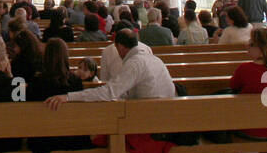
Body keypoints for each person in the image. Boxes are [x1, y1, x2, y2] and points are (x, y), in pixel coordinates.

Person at [46, 30, 174, 106]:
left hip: (148, 119)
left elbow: (108, 93)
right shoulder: (154, 59)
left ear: (120, 46)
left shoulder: (134, 63)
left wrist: (68, 97)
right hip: (165, 111)